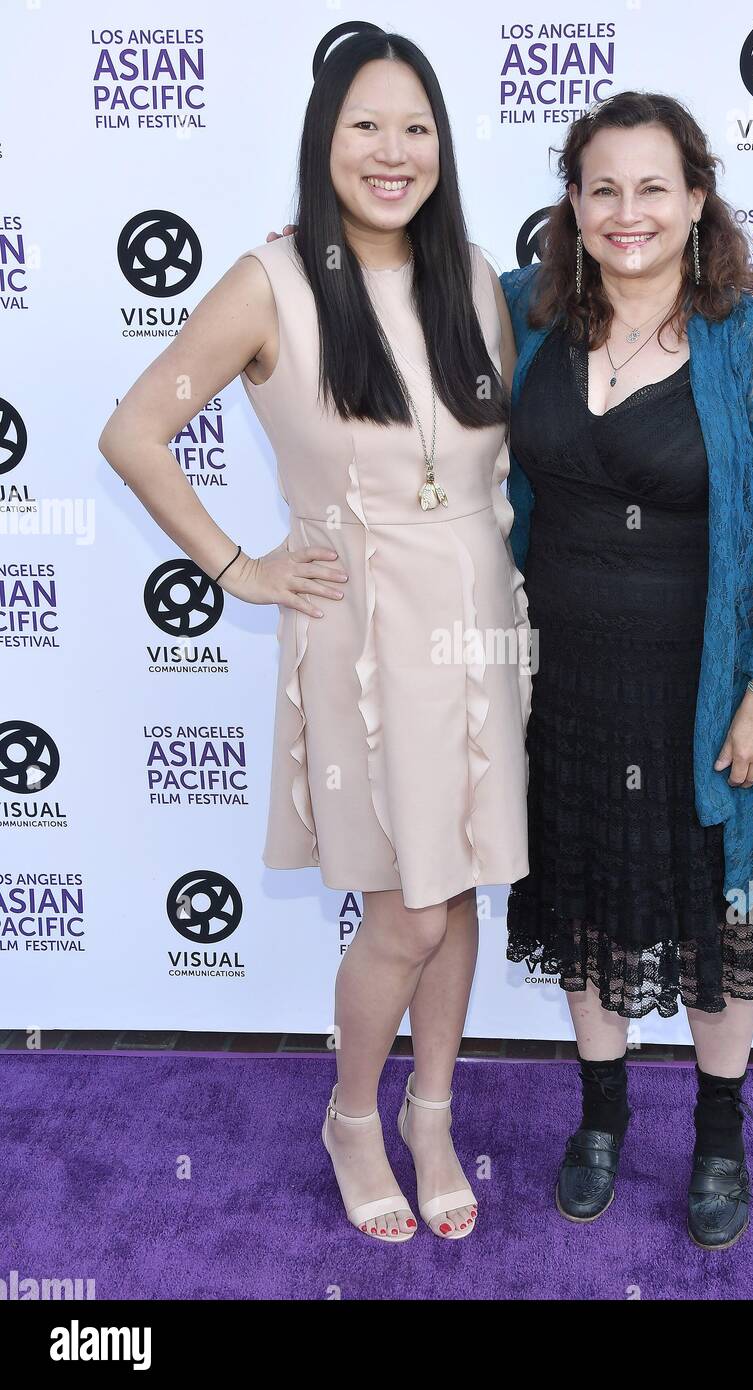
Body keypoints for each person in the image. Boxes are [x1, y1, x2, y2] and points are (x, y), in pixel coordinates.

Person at [99, 30, 531, 1245]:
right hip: (359, 628)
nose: (393, 154)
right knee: (403, 908)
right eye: (366, 127)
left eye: (415, 129)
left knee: (459, 894)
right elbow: (135, 432)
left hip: (481, 623)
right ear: (322, 140)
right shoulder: (268, 280)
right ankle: (354, 1114)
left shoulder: (473, 276)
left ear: (442, 146)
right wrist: (240, 565)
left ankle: (433, 1112)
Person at [500, 91, 753, 1249]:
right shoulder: (526, 315)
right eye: (602, 188)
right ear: (573, 205)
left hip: (703, 694)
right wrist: (314, 262)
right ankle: (600, 1119)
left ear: (697, 198)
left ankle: (721, 1134)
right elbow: (407, 311)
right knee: (585, 904)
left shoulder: (752, 340)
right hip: (560, 690)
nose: (626, 211)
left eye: (653, 186)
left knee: (713, 921)